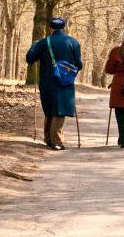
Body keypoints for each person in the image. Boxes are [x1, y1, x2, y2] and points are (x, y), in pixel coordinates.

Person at [26, 17, 83, 150]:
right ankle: (56, 141)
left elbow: (29, 59)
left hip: (47, 81)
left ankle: (49, 138)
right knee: (60, 109)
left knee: (50, 109)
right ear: (64, 28)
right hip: (65, 81)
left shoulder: (44, 42)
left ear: (50, 28)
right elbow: (79, 65)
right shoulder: (73, 42)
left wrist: (34, 45)